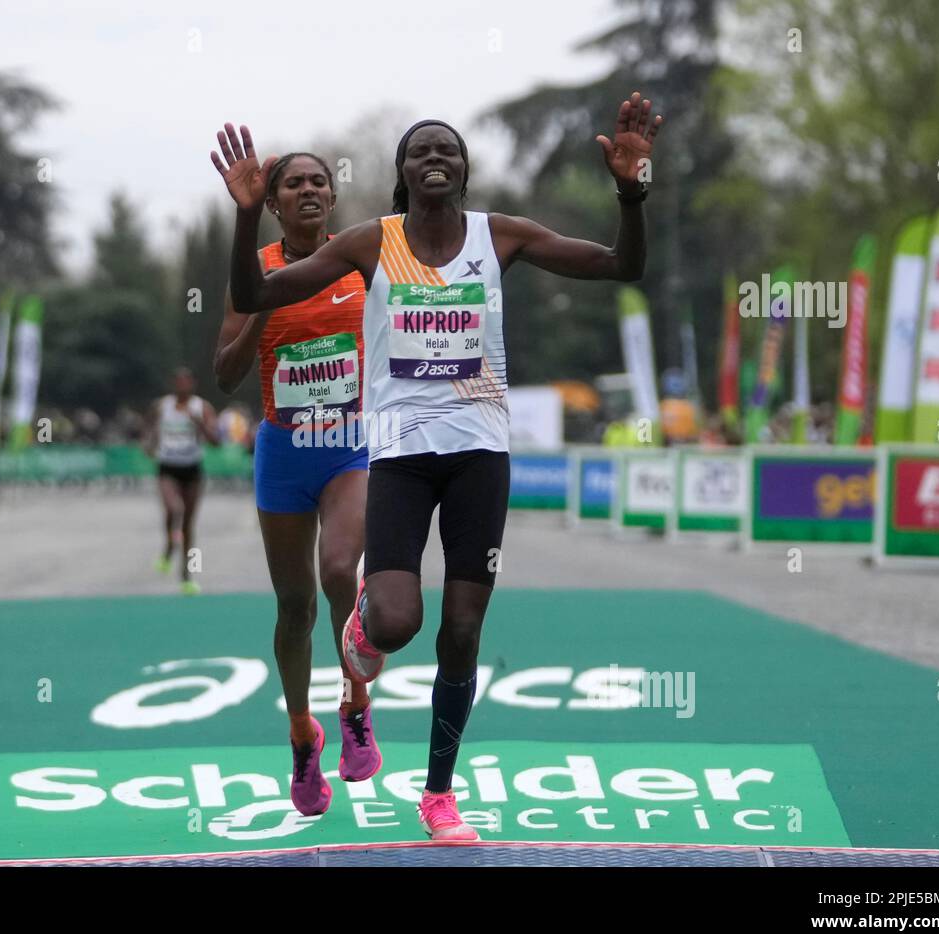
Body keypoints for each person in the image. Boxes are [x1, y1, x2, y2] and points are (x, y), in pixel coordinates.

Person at [211, 92, 662, 839]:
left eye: (446, 150)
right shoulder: (368, 243)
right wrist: (243, 215)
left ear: (463, 171)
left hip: (480, 456)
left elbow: (622, 266)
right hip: (399, 456)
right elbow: (257, 291)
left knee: (461, 630)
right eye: (419, 151)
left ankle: (439, 795)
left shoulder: (501, 236)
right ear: (401, 173)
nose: (433, 159)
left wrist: (630, 192)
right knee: (394, 621)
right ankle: (360, 630)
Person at [213, 152, 379, 816]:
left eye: (318, 181)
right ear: (274, 204)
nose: (307, 189)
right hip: (284, 451)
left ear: (332, 197)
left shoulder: (363, 261)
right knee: (295, 609)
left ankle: (356, 705)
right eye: (293, 184)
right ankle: (302, 737)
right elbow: (224, 374)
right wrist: (262, 301)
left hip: (348, 444)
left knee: (341, 570)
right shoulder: (253, 272)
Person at [144, 367, 220, 594]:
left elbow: (216, 441)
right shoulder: (162, 406)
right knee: (173, 509)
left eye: (187, 381)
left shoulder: (202, 408)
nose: (182, 385)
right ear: (173, 383)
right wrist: (149, 443)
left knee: (188, 523)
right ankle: (168, 547)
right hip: (167, 467)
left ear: (193, 384)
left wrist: (200, 424)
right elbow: (149, 428)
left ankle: (187, 575)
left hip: (192, 469)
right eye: (179, 381)